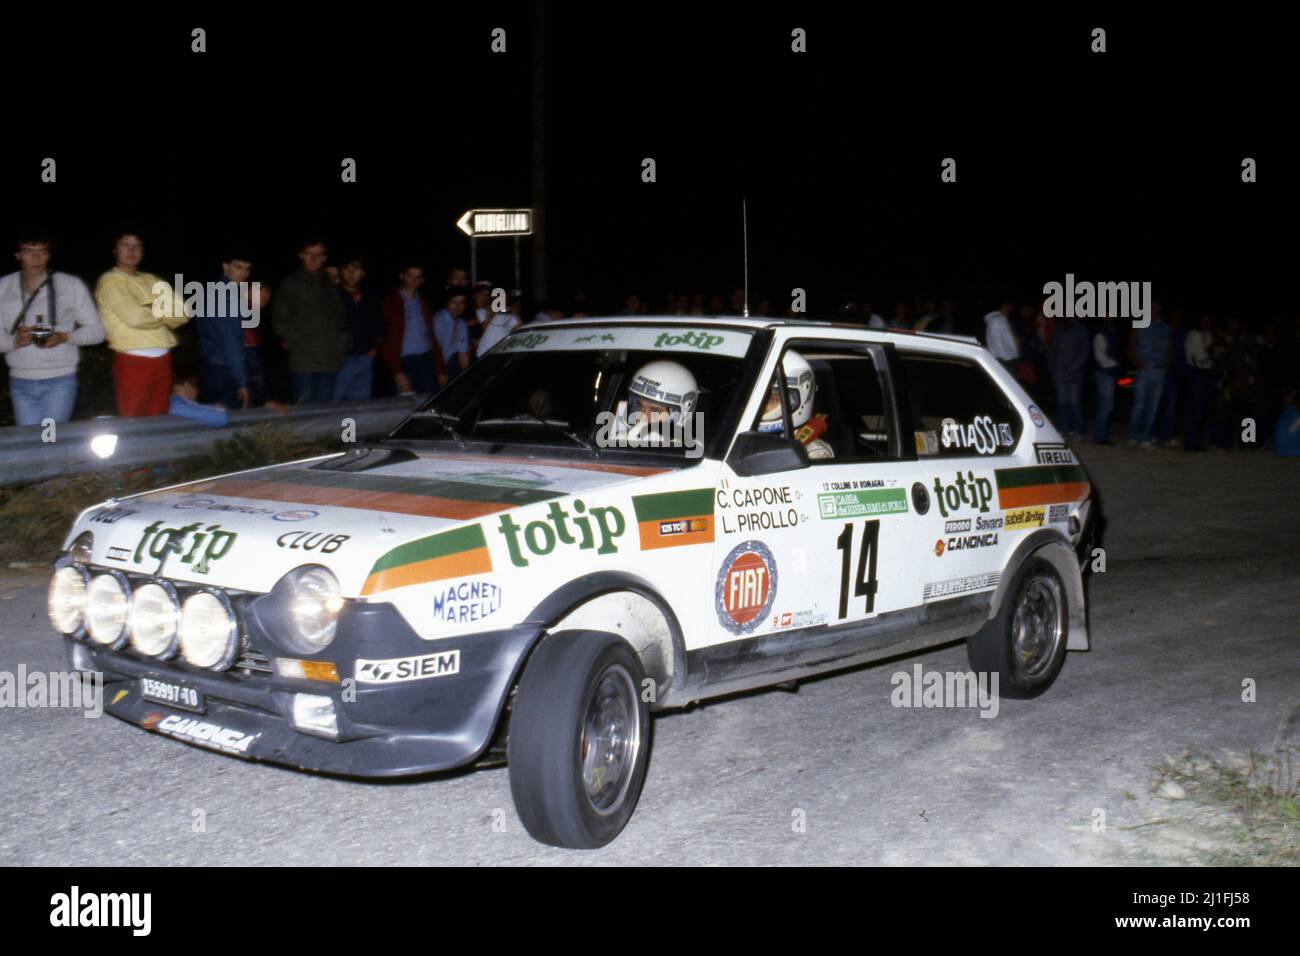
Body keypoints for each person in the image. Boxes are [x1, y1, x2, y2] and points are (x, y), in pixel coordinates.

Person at [0, 233, 105, 425]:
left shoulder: (70, 285)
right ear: (18, 255)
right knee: (31, 443)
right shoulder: (3, 287)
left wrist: (65, 337)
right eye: (29, 252)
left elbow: (97, 331)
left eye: (42, 252)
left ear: (49, 254)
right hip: (20, 382)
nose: (36, 258)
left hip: (60, 380)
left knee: (49, 440)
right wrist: (14, 341)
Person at [95, 231, 190, 416]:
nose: (132, 250)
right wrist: (163, 309)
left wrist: (149, 308)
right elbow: (135, 318)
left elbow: (184, 312)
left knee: (159, 417)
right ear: (115, 250)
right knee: (133, 419)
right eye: (125, 245)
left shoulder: (151, 280)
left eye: (137, 245)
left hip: (163, 358)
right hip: (133, 360)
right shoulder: (110, 282)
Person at [271, 239, 350, 403]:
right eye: (309, 254)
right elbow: (279, 321)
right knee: (304, 409)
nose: (313, 258)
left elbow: (343, 317)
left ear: (324, 258)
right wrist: (299, 340)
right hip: (304, 361)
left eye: (318, 254)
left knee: (325, 409)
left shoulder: (332, 283)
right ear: (301, 256)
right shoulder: (290, 283)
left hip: (329, 360)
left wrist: (340, 345)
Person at [196, 252, 253, 409]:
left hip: (211, 365)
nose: (243, 273)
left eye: (247, 269)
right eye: (238, 267)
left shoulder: (215, 290)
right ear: (225, 267)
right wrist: (241, 382)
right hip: (223, 369)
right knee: (229, 424)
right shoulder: (226, 295)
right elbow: (231, 342)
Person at [381, 263, 446, 395]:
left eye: (418, 277)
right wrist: (397, 371)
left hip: (425, 359)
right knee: (404, 404)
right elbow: (385, 339)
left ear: (422, 280)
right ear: (402, 276)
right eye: (410, 276)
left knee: (426, 401)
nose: (413, 281)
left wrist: (440, 369)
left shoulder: (424, 302)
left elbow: (431, 336)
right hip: (404, 361)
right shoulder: (390, 301)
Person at [757, 350, 833, 460]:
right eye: (761, 397)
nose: (763, 405)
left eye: (773, 398)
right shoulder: (741, 432)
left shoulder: (813, 453)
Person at [333, 257, 386, 401]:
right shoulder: (332, 295)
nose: (351, 273)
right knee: (333, 403)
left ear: (362, 273)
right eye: (347, 269)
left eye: (355, 269)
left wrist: (375, 347)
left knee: (360, 404)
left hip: (365, 357)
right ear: (340, 272)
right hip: (339, 360)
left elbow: (380, 324)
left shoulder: (370, 295)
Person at [620, 359, 699, 448]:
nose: (644, 417)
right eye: (639, 406)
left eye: (655, 411)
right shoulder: (616, 442)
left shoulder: (693, 456)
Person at [1126, 306, 1170, 447]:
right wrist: (1137, 363)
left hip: (1159, 371)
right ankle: (1133, 437)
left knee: (1152, 408)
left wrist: (1166, 367)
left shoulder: (1166, 328)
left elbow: (1171, 349)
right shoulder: (1137, 325)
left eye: (1154, 307)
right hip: (1143, 371)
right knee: (1139, 405)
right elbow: (1130, 346)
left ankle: (1144, 437)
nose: (1152, 310)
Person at [1047, 314, 1090, 438]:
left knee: (1075, 403)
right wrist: (1053, 368)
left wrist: (1072, 368)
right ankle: (1063, 430)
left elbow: (1084, 352)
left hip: (1074, 374)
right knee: (1062, 403)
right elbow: (1052, 349)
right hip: (1059, 374)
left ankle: (1078, 431)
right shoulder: (1058, 328)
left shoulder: (1081, 329)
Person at [1182, 314, 1215, 451]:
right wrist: (1213, 352)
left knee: (1202, 409)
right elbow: (1201, 356)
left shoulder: (1209, 335)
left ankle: (1195, 441)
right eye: (1203, 320)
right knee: (1195, 408)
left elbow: (1214, 354)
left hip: (1207, 374)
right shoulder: (1193, 334)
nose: (1206, 323)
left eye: (1208, 320)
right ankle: (1190, 442)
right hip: (1196, 373)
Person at [1091, 316, 1121, 444]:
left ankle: (1101, 435)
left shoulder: (1113, 331)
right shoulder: (1101, 333)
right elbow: (1099, 356)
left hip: (1109, 373)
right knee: (1105, 406)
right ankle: (1100, 437)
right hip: (1105, 373)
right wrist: (1115, 365)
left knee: (1107, 406)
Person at [433, 288, 472, 378]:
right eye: (454, 302)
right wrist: (440, 372)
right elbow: (435, 351)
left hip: (447, 366)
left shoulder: (462, 323)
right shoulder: (438, 320)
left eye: (461, 303)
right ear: (447, 303)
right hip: (432, 367)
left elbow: (463, 354)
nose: (457, 307)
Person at [475, 290, 523, 355]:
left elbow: (520, 329)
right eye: (499, 297)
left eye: (505, 297)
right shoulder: (482, 311)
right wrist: (492, 313)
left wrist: (515, 313)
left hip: (501, 352)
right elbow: (484, 329)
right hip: (484, 353)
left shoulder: (509, 314)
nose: (502, 300)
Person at [983, 300, 1019, 370]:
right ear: (1004, 306)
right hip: (1003, 361)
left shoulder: (1002, 320)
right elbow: (995, 342)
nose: (1011, 309)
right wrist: (1005, 358)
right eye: (1010, 306)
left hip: (1005, 359)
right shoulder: (996, 320)